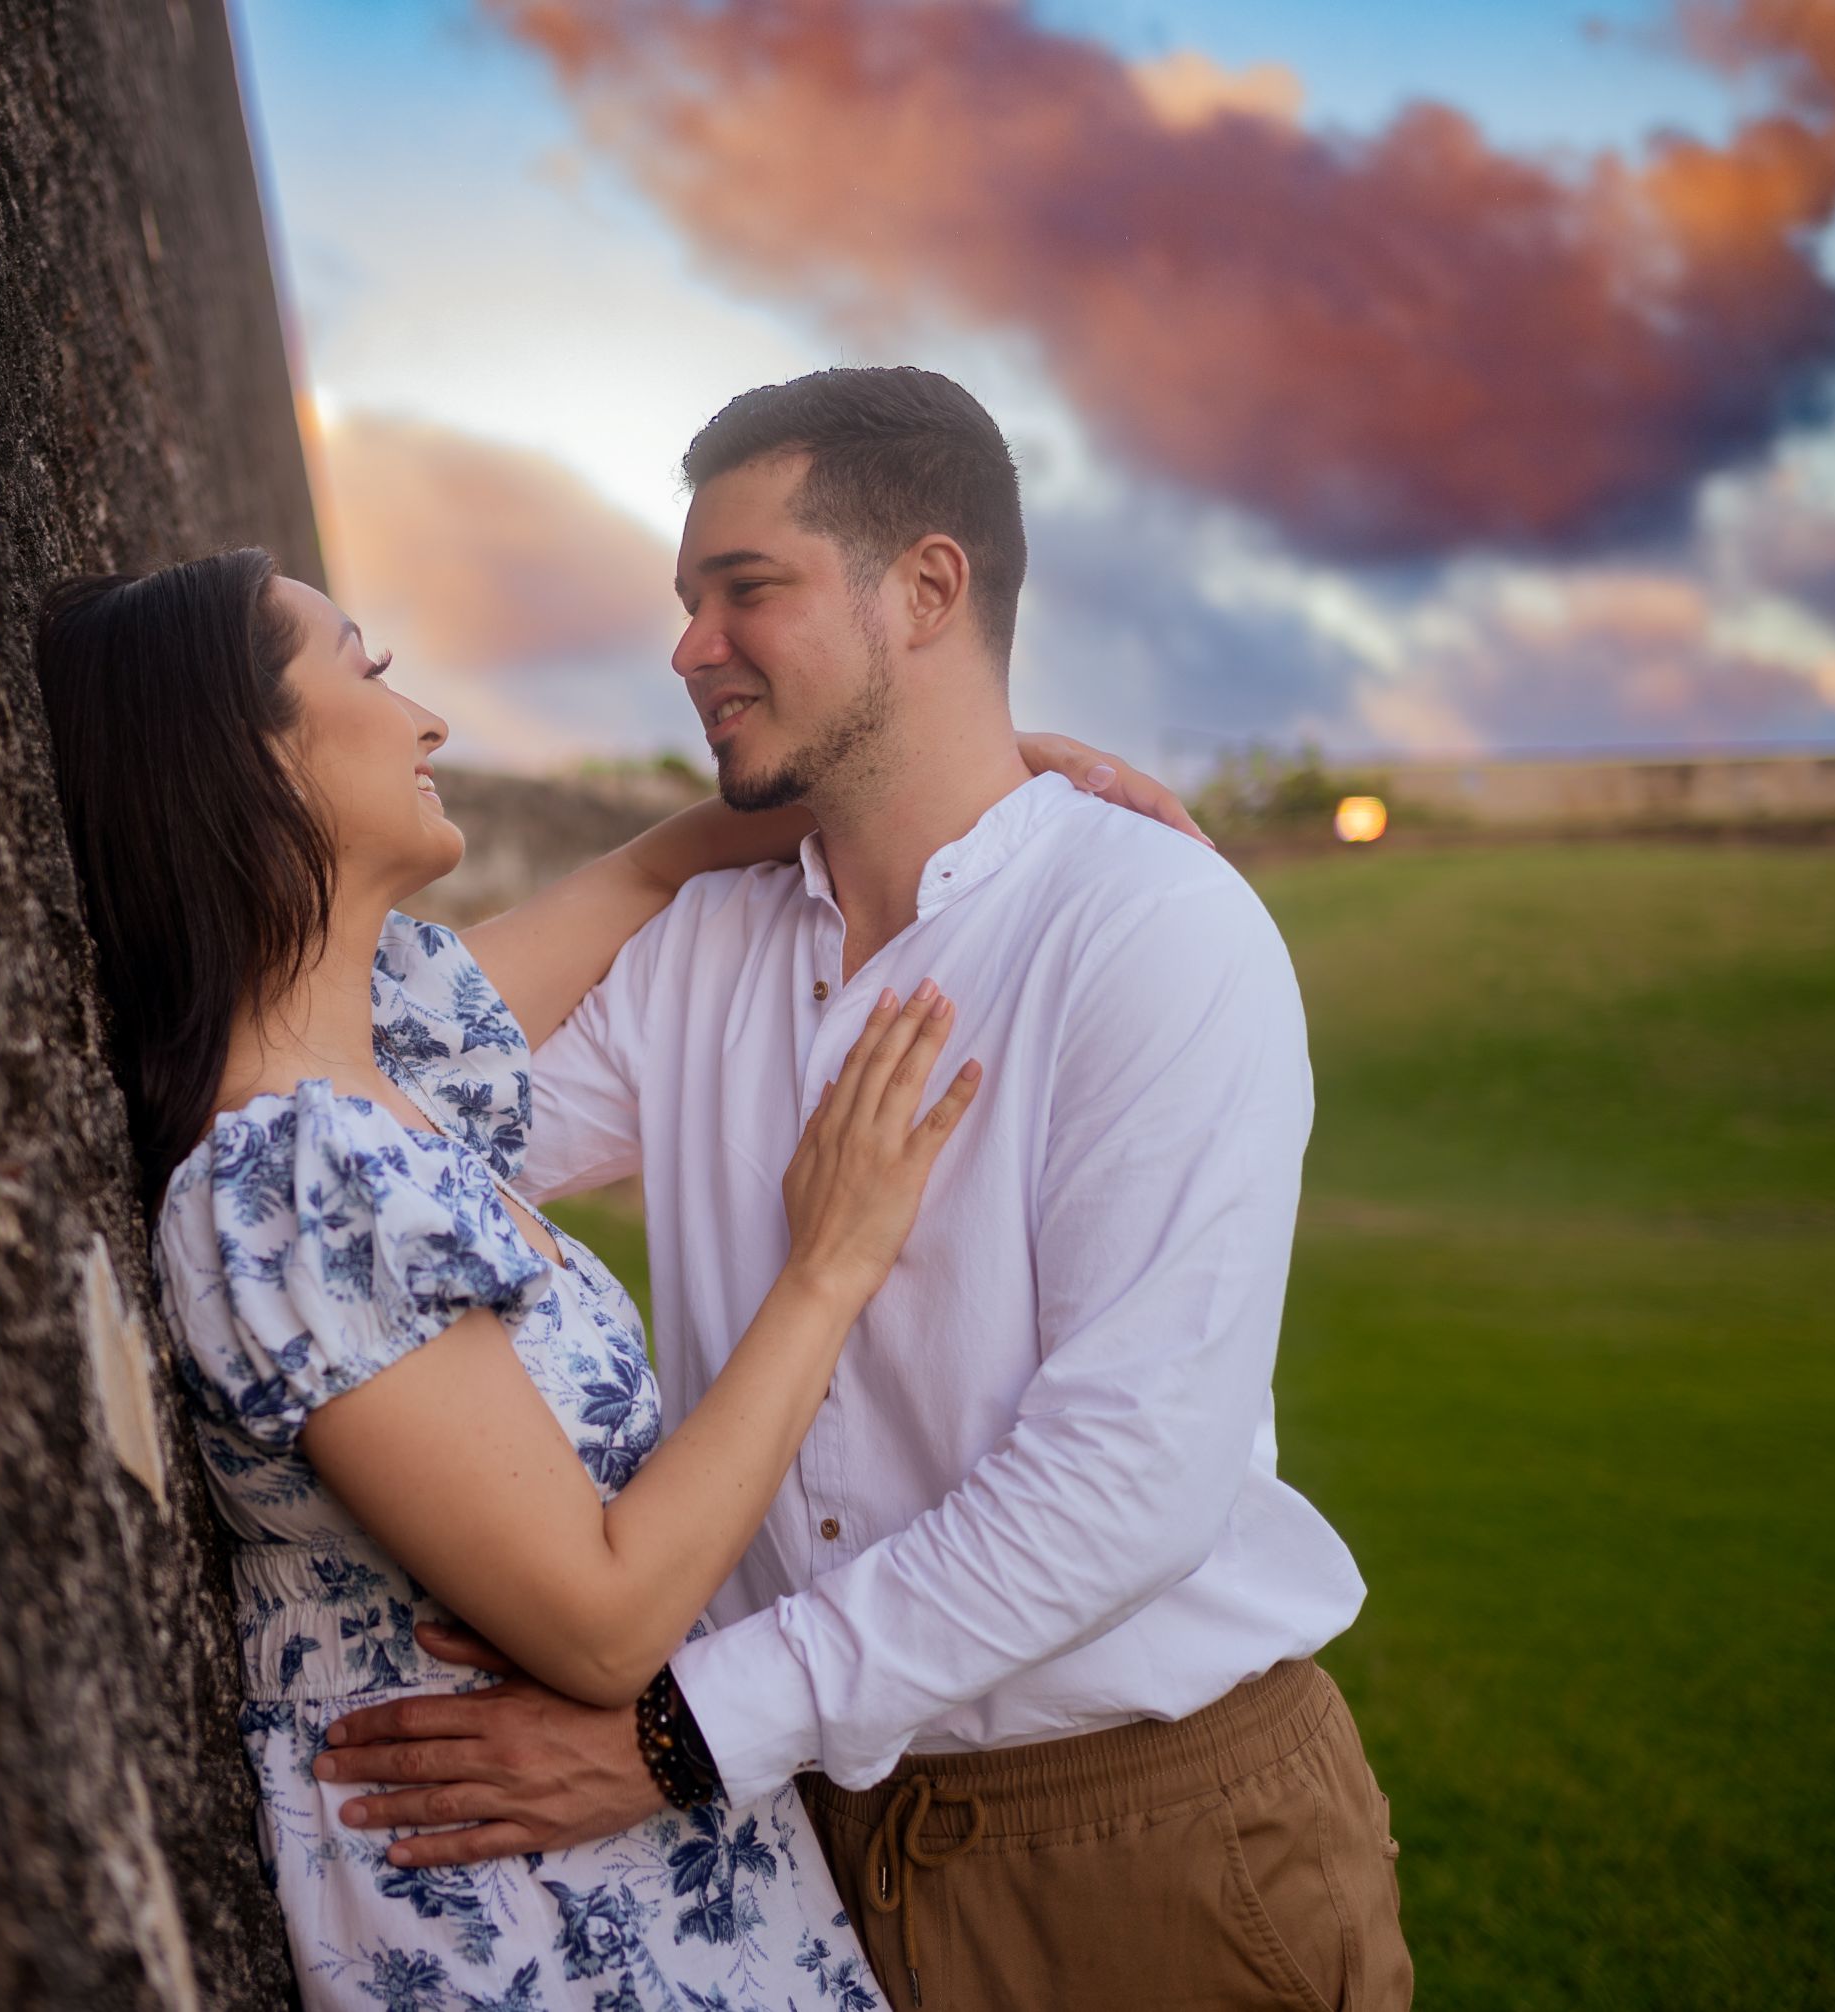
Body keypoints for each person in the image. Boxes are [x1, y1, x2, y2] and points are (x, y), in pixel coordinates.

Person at [316, 368, 1414, 2011]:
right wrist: (672, 852)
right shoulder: (698, 955)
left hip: (1149, 1837)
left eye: (745, 590)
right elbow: (358, 1145)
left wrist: (687, 1729)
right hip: (806, 1856)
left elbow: (1131, 1476)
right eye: (687, 600)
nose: (691, 645)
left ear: (928, 589)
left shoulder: (1146, 929)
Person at [31, 546, 1187, 2011]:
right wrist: (829, 1265)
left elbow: (656, 862)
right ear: (242, 760)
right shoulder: (299, 1180)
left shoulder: (382, 1075)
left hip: (619, 1877)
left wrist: (961, 773)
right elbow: (602, 1617)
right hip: (528, 1921)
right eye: (370, 673)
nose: (427, 721)